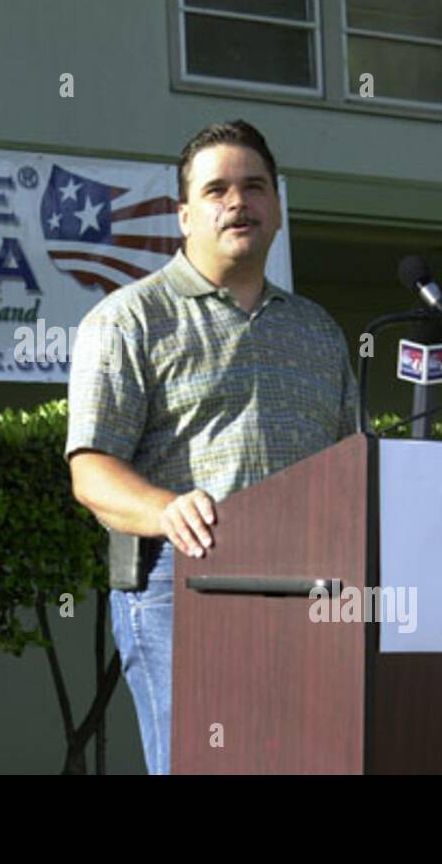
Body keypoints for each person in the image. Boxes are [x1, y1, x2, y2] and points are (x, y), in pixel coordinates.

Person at [64, 119, 360, 774]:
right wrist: (167, 509)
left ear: (277, 208)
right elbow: (91, 471)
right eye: (216, 189)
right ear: (184, 216)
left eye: (254, 186)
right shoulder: (128, 318)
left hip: (306, 582)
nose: (237, 201)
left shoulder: (319, 332)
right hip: (180, 583)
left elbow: (348, 470)